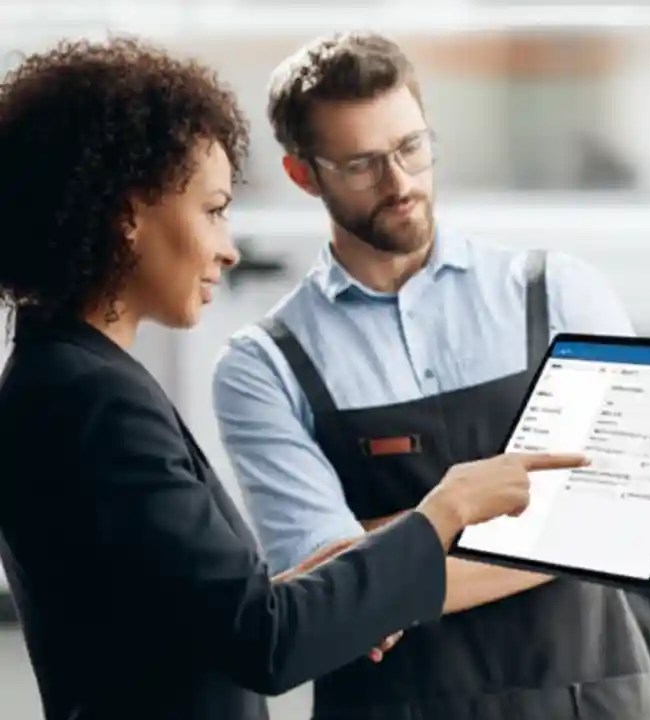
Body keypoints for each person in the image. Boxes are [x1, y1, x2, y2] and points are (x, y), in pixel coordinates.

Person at [0, 38, 585, 720]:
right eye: (214, 210)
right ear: (129, 215)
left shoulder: (65, 378)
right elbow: (266, 639)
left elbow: (208, 605)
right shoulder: (93, 401)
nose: (229, 248)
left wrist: (354, 587)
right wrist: (444, 512)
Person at [213, 32, 650, 719]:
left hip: (594, 698)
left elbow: (626, 516)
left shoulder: (560, 293)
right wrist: (542, 523)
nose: (400, 183)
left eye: (411, 147)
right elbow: (327, 590)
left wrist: (390, 567)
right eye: (363, 164)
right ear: (303, 175)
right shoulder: (261, 367)